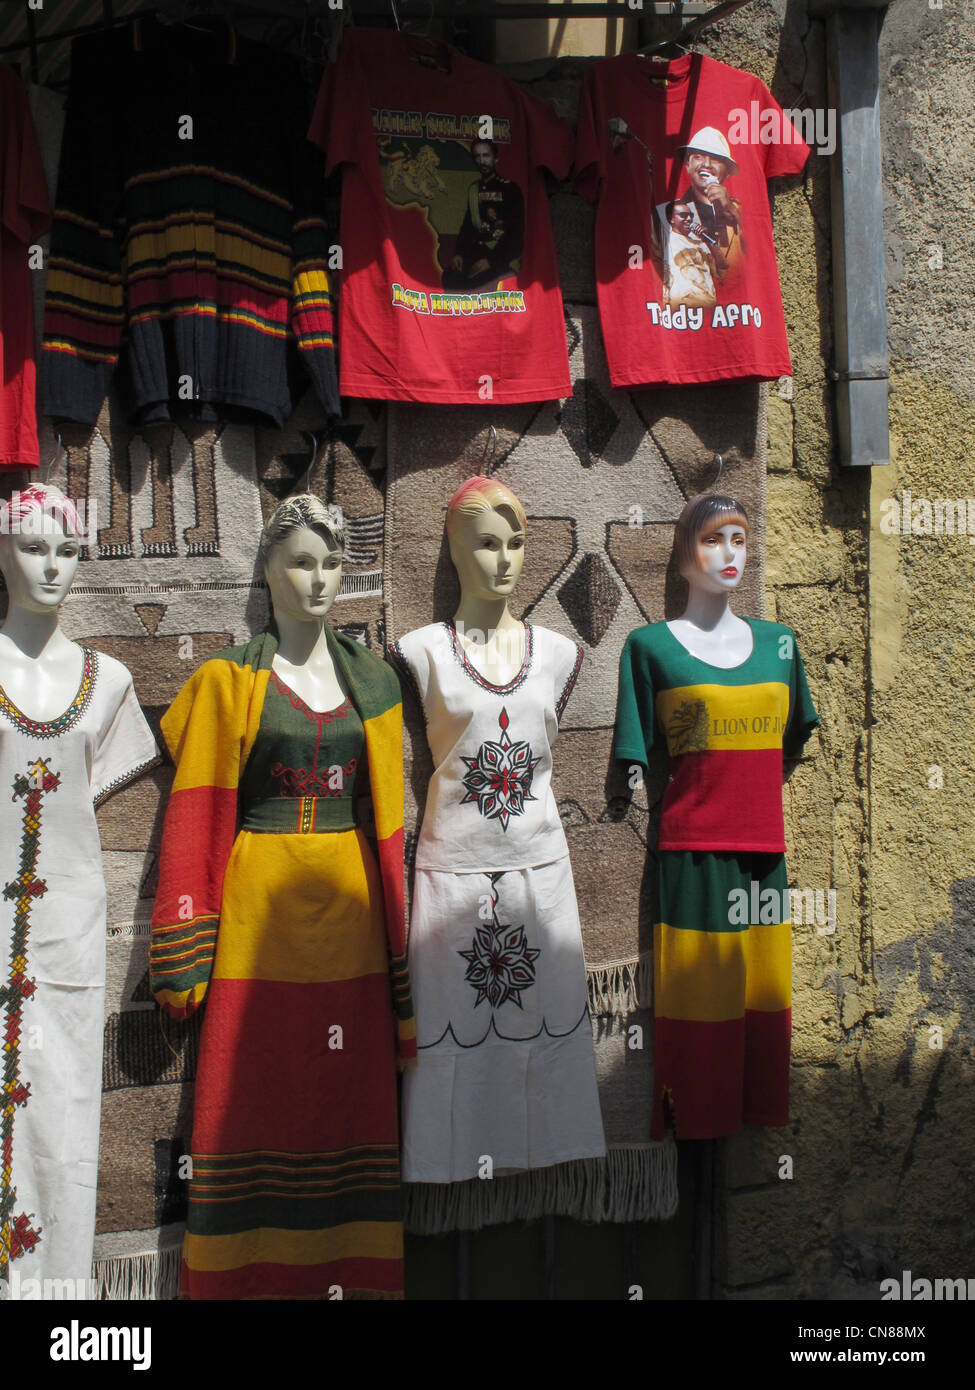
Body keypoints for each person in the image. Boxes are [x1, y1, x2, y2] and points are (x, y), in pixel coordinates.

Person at [149, 494, 415, 1299]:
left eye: (332, 562)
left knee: (349, 1100)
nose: (319, 578)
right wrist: (181, 956)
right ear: (265, 569)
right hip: (258, 916)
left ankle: (350, 1277)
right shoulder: (227, 681)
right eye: (301, 560)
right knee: (251, 1091)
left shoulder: (374, 677)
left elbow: (390, 816)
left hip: (352, 919)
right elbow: (196, 818)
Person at [389, 477, 605, 1225]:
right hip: (450, 876)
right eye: (486, 542)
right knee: (453, 1034)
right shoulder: (419, 653)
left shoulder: (557, 652)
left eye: (516, 542)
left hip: (539, 874)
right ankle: (446, 1166)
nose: (505, 559)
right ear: (453, 547)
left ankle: (546, 1148)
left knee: (540, 1026)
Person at [613, 493, 819, 1140]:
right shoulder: (648, 649)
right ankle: (691, 1135)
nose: (728, 554)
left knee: (762, 1011)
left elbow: (787, 744)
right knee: (695, 1018)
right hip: (692, 858)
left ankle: (748, 1128)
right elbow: (638, 754)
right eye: (710, 540)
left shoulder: (779, 646)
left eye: (738, 538)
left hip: (764, 859)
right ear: (680, 558)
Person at [0, 484, 158, 1296]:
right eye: (32, 546)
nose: (52, 566)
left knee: (60, 1108)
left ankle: (55, 1303)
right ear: (0, 553)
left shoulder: (108, 682)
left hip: (63, 935)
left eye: (66, 549)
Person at [442, 139, 525, 291]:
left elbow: (516, 235)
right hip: (475, 253)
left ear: (496, 159)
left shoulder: (510, 189)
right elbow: (468, 227)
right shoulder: (474, 189)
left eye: (486, 155)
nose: (482, 161)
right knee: (449, 278)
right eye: (477, 156)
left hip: (501, 256)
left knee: (480, 285)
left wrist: (491, 261)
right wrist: (459, 254)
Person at [674, 126, 745, 275]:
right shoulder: (671, 214)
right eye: (698, 156)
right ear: (688, 164)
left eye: (715, 159)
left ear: (727, 171)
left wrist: (730, 209)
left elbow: (755, 251)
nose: (706, 164)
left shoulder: (742, 212)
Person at [660, 199, 720, 307]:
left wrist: (707, 240)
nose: (689, 219)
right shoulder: (666, 242)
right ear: (671, 219)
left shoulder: (700, 243)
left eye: (691, 215)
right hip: (682, 306)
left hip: (708, 304)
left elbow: (722, 266)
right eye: (683, 215)